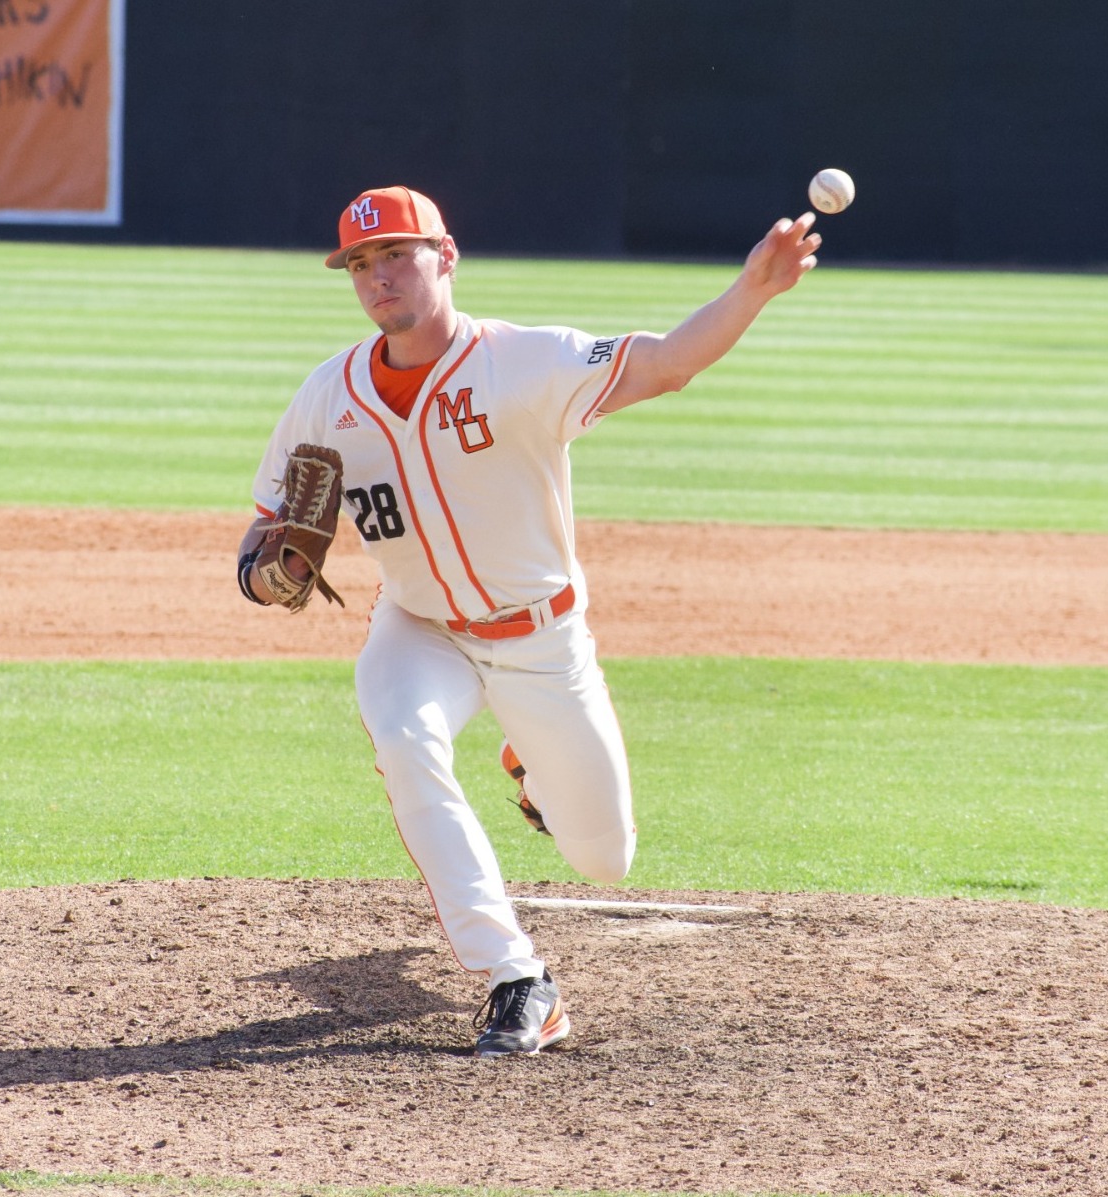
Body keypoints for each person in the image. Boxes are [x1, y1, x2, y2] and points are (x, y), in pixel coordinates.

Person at [238, 185, 822, 1056]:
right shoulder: (328, 395)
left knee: (604, 859)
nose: (377, 276)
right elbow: (263, 530)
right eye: (359, 263)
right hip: (418, 630)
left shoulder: (523, 361)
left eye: (396, 254)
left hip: (542, 639)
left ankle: (532, 769)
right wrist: (270, 573)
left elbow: (665, 364)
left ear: (445, 256)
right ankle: (517, 979)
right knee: (404, 741)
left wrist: (751, 292)